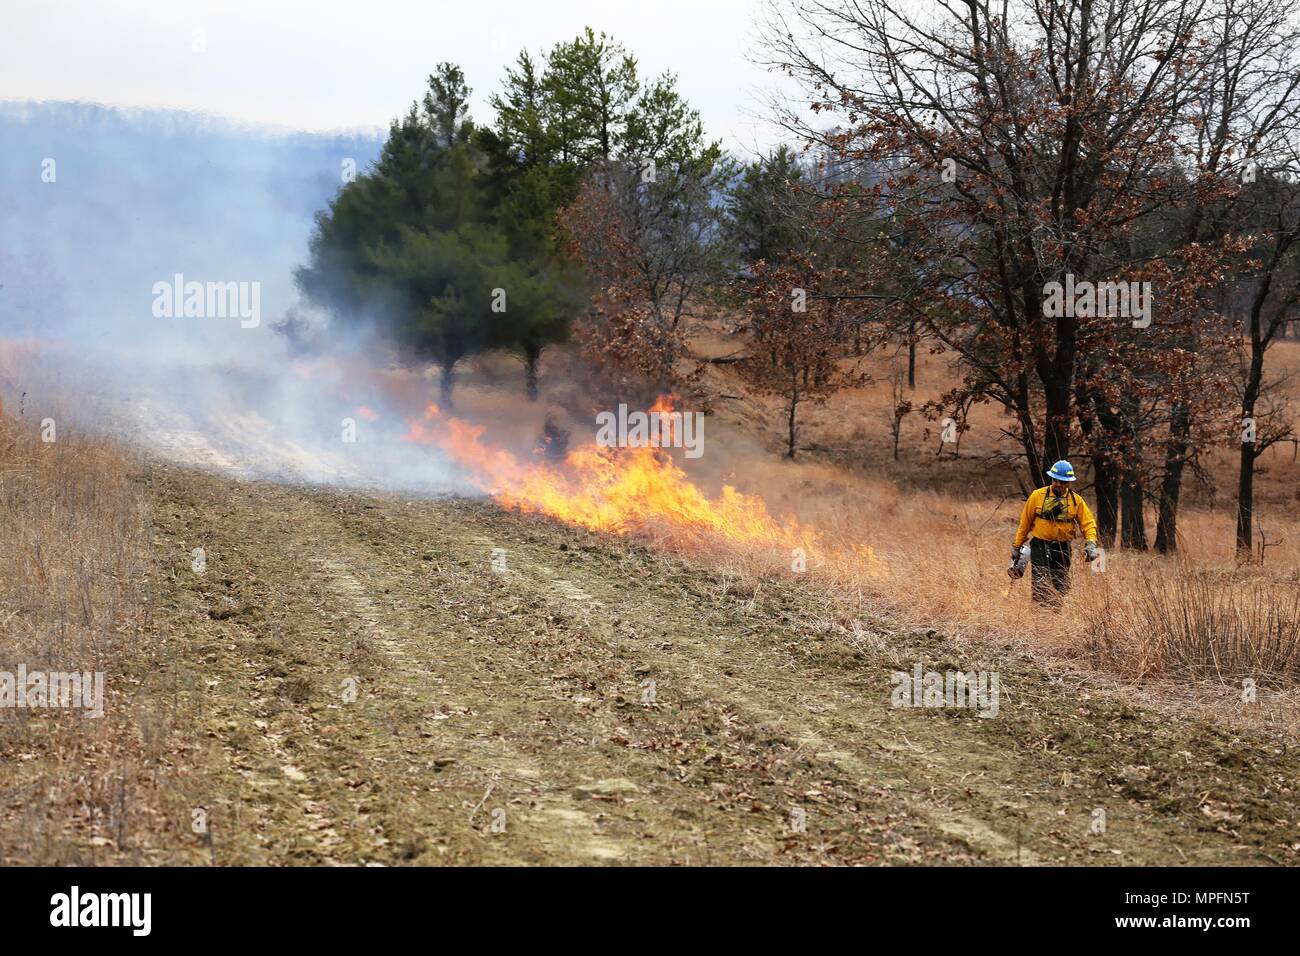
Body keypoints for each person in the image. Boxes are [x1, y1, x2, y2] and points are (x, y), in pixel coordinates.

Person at [1012, 460, 1099, 606]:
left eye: (1063, 482)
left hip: (1062, 547)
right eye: (1056, 480)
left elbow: (1088, 523)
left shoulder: (1076, 501)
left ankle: (1055, 614)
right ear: (1051, 479)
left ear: (1069, 482)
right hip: (1039, 545)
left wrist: (1091, 543)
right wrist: (1017, 546)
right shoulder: (1037, 496)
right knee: (1040, 581)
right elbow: (1025, 523)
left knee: (1061, 585)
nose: (1059, 484)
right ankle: (1040, 615)